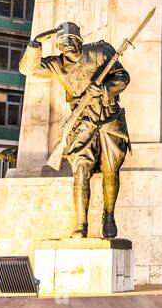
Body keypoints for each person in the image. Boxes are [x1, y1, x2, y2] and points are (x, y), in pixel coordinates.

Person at [21, 21, 131, 239]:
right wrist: (35, 43)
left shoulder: (101, 51)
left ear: (79, 40)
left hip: (109, 118)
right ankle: (81, 224)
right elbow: (28, 69)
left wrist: (104, 89)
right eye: (62, 43)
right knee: (80, 170)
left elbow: (123, 77)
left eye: (70, 40)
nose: (67, 46)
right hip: (82, 122)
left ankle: (108, 215)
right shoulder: (57, 65)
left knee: (111, 172)